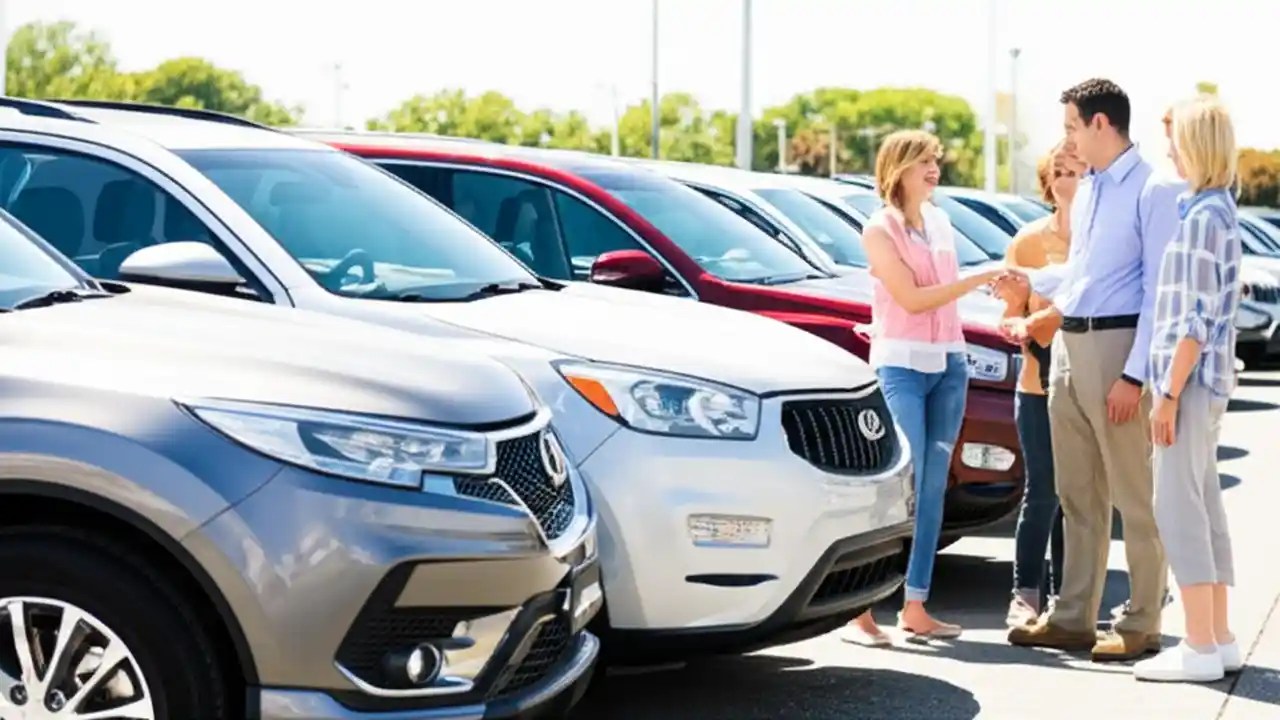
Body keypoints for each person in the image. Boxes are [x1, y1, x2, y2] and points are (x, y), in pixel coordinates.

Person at [998, 78, 1182, 662]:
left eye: (1073, 126)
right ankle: (1074, 617)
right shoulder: (1096, 187)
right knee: (1077, 494)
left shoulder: (1153, 189)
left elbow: (1158, 291)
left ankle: (1142, 621)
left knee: (1134, 495)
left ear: (1102, 124)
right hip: (1069, 350)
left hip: (1115, 349)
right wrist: (1031, 284)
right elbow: (1081, 274)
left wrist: (1133, 375)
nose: (1068, 139)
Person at [843, 129, 1008, 646]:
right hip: (901, 368)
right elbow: (913, 301)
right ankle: (861, 611)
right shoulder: (879, 228)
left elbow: (942, 299)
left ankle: (916, 605)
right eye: (924, 162)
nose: (934, 170)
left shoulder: (939, 220)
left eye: (936, 160)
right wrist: (978, 279)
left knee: (935, 486)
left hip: (949, 366)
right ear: (899, 168)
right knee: (899, 487)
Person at [1134, 94, 1243, 682]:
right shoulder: (1218, 211)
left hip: (1189, 384)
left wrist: (1168, 394)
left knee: (1178, 507)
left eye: (1175, 137)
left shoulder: (1202, 218)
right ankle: (1218, 638)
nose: (1170, 150)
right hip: (1206, 383)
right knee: (1204, 506)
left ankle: (1199, 645)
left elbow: (1192, 322)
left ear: (1197, 144)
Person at [994, 141, 1082, 627]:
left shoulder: (1101, 238)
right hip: (1037, 385)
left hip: (1086, 380)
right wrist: (1020, 320)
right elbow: (1008, 318)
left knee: (1079, 496)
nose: (1068, 180)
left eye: (1078, 171)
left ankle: (1069, 599)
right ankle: (1025, 594)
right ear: (1047, 183)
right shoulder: (1027, 240)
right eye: (1060, 172)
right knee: (1044, 491)